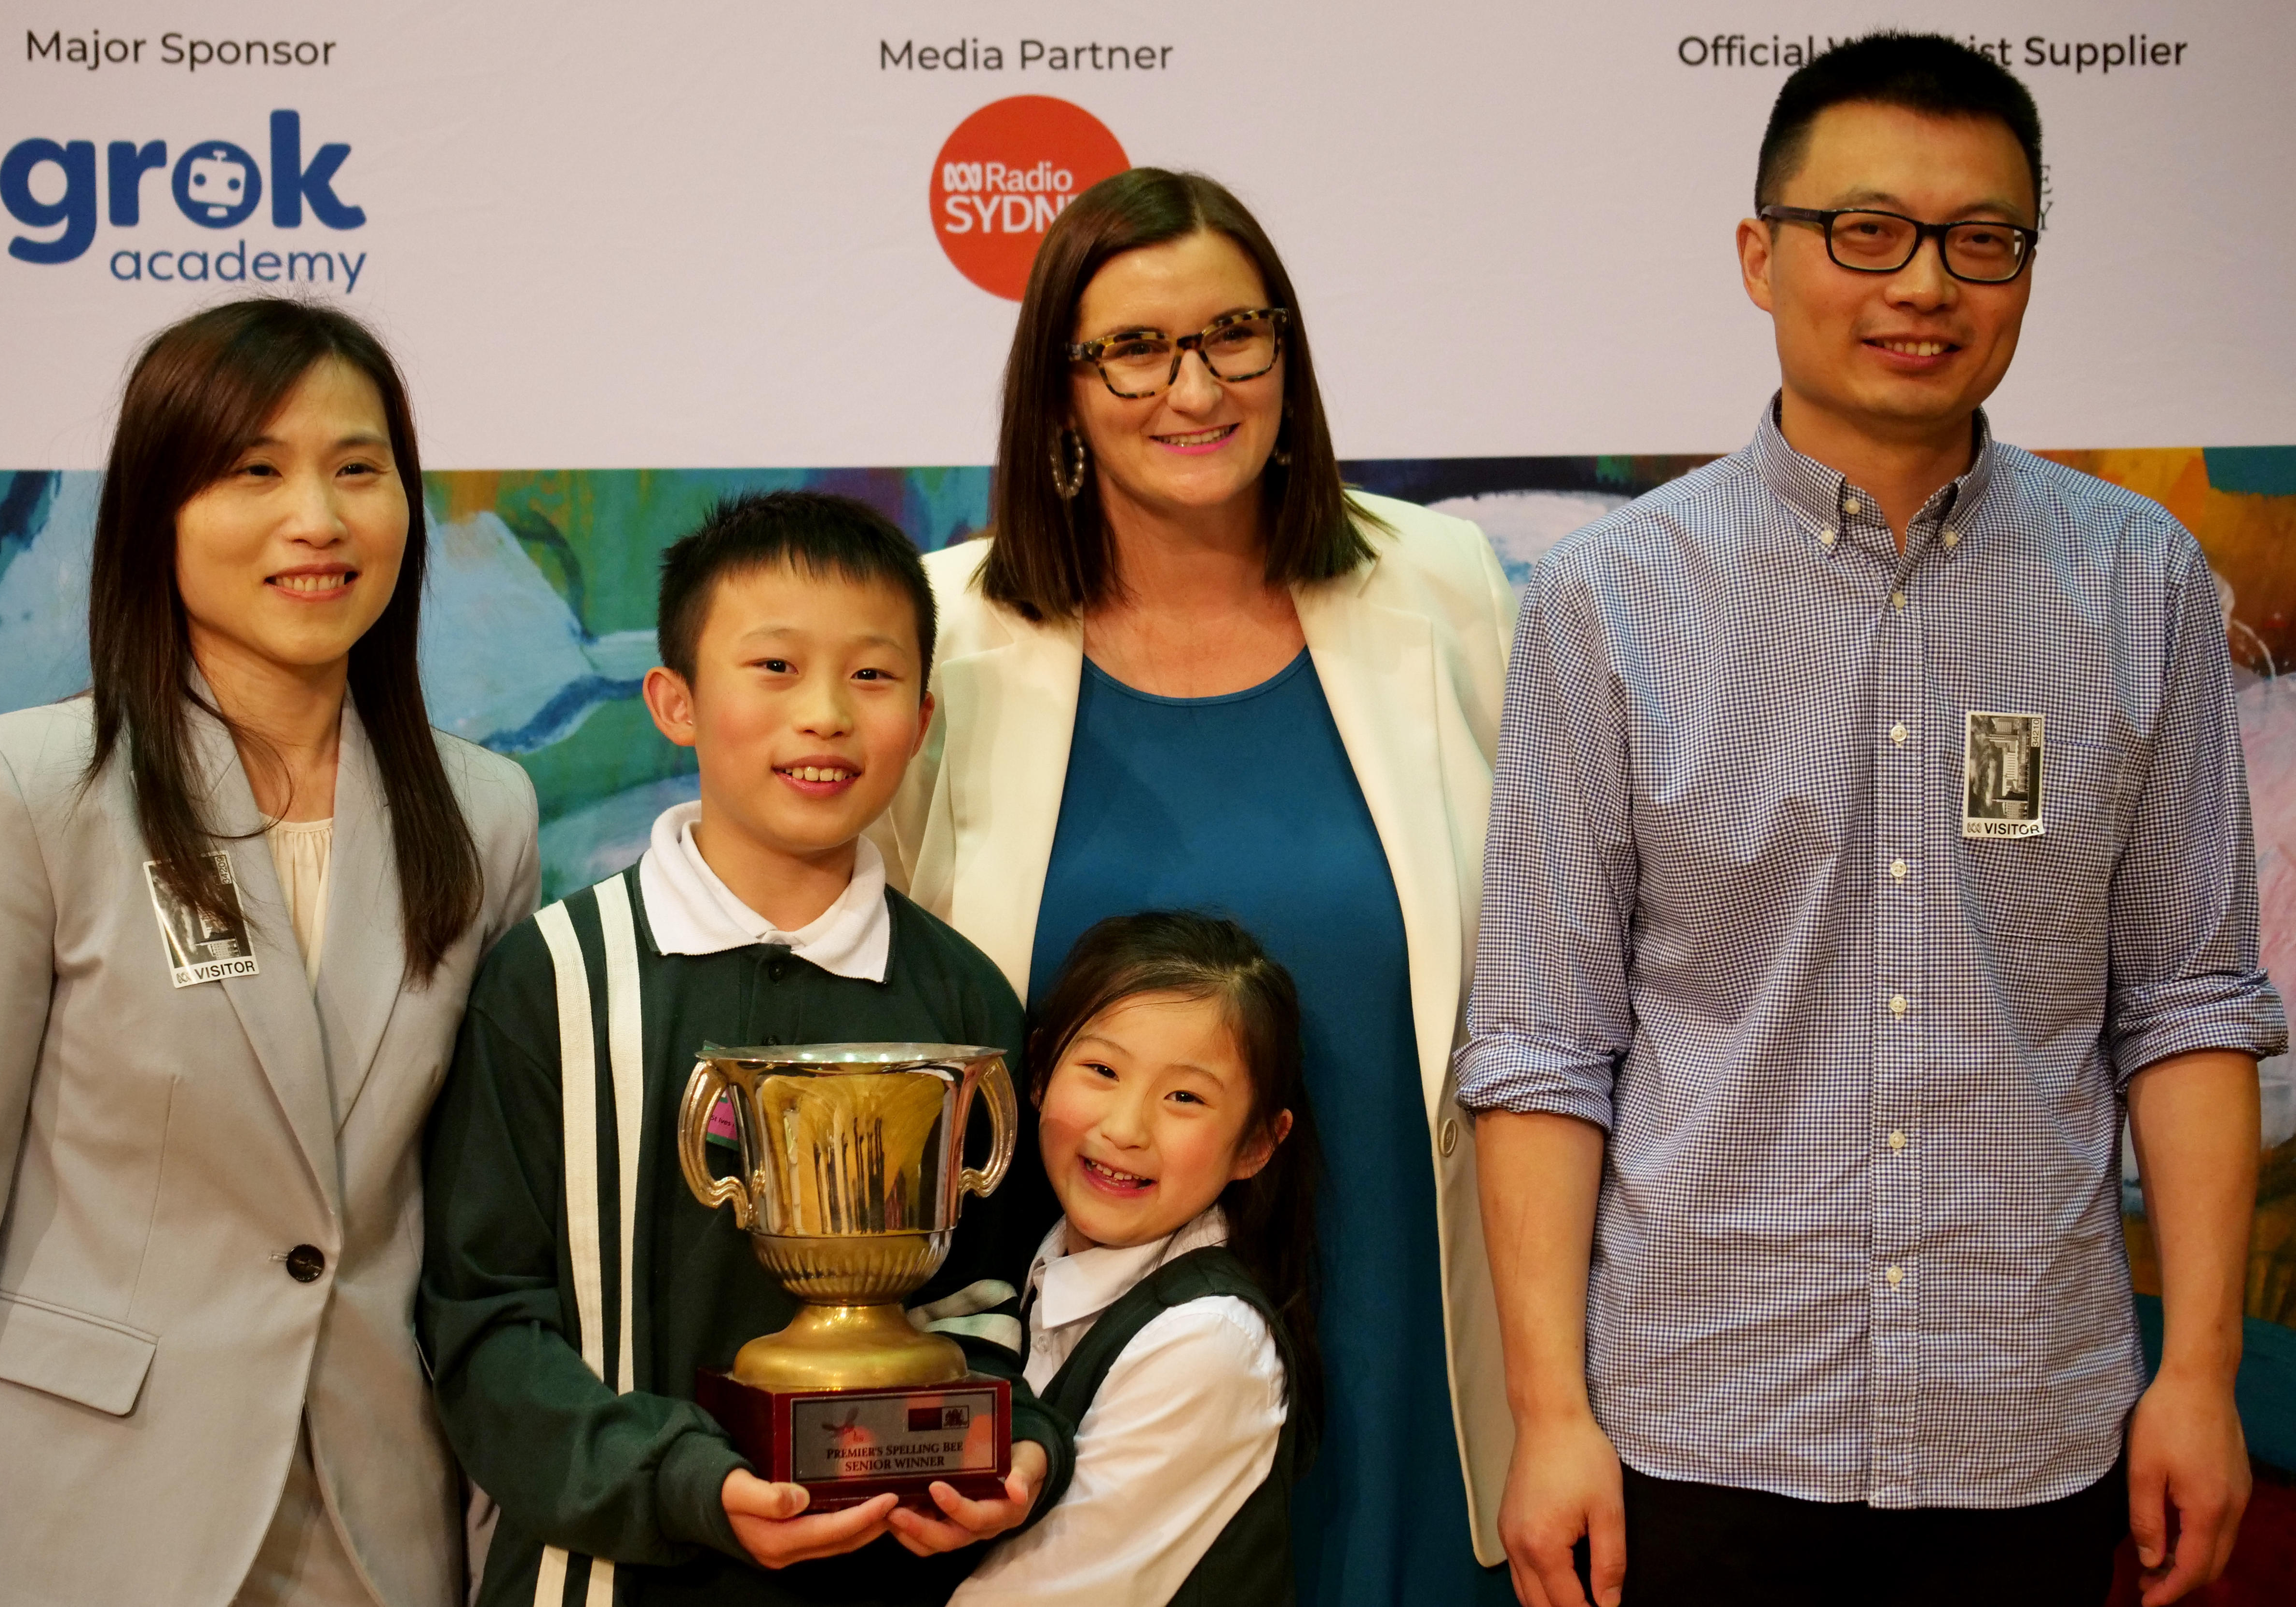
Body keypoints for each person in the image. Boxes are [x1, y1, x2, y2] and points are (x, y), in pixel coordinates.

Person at [1458, 32, 2286, 1607]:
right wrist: (1552, 1411)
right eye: (1869, 232)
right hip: (1692, 1430)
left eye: (1983, 240)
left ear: (2027, 271)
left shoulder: (2143, 581)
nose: (1924, 283)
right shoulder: (1605, 602)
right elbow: (1545, 1045)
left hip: (2029, 1427)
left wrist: (2198, 1368)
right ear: (1762, 257)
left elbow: (2185, 1008)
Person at [875, 167, 1518, 1604]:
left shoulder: (1449, 589)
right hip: (1093, 1422)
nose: (1195, 387)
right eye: (1136, 349)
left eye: (1236, 334)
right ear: (1060, 389)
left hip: (1413, 1348)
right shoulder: (943, 632)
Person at [0, 298, 542, 1607]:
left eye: (359, 469)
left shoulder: (484, 812)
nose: (319, 517)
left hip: (380, 1521)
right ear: (157, 511)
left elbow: (484, 1228)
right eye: (255, 469)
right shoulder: (26, 789)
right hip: (92, 1519)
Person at [421, 490, 1073, 1607]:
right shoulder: (556, 979)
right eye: (773, 666)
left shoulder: (961, 996)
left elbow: (1001, 1305)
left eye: (870, 676)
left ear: (921, 720)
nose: (823, 714)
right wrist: (684, 1482)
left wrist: (1021, 1446)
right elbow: (482, 1326)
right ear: (673, 701)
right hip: (599, 1580)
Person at [954, 911, 1321, 1605]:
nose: (1124, 1127)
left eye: (1184, 1096)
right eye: (1101, 1069)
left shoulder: (1209, 1343)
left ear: (1258, 1144)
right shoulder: (1026, 1266)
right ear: (1038, 1073)